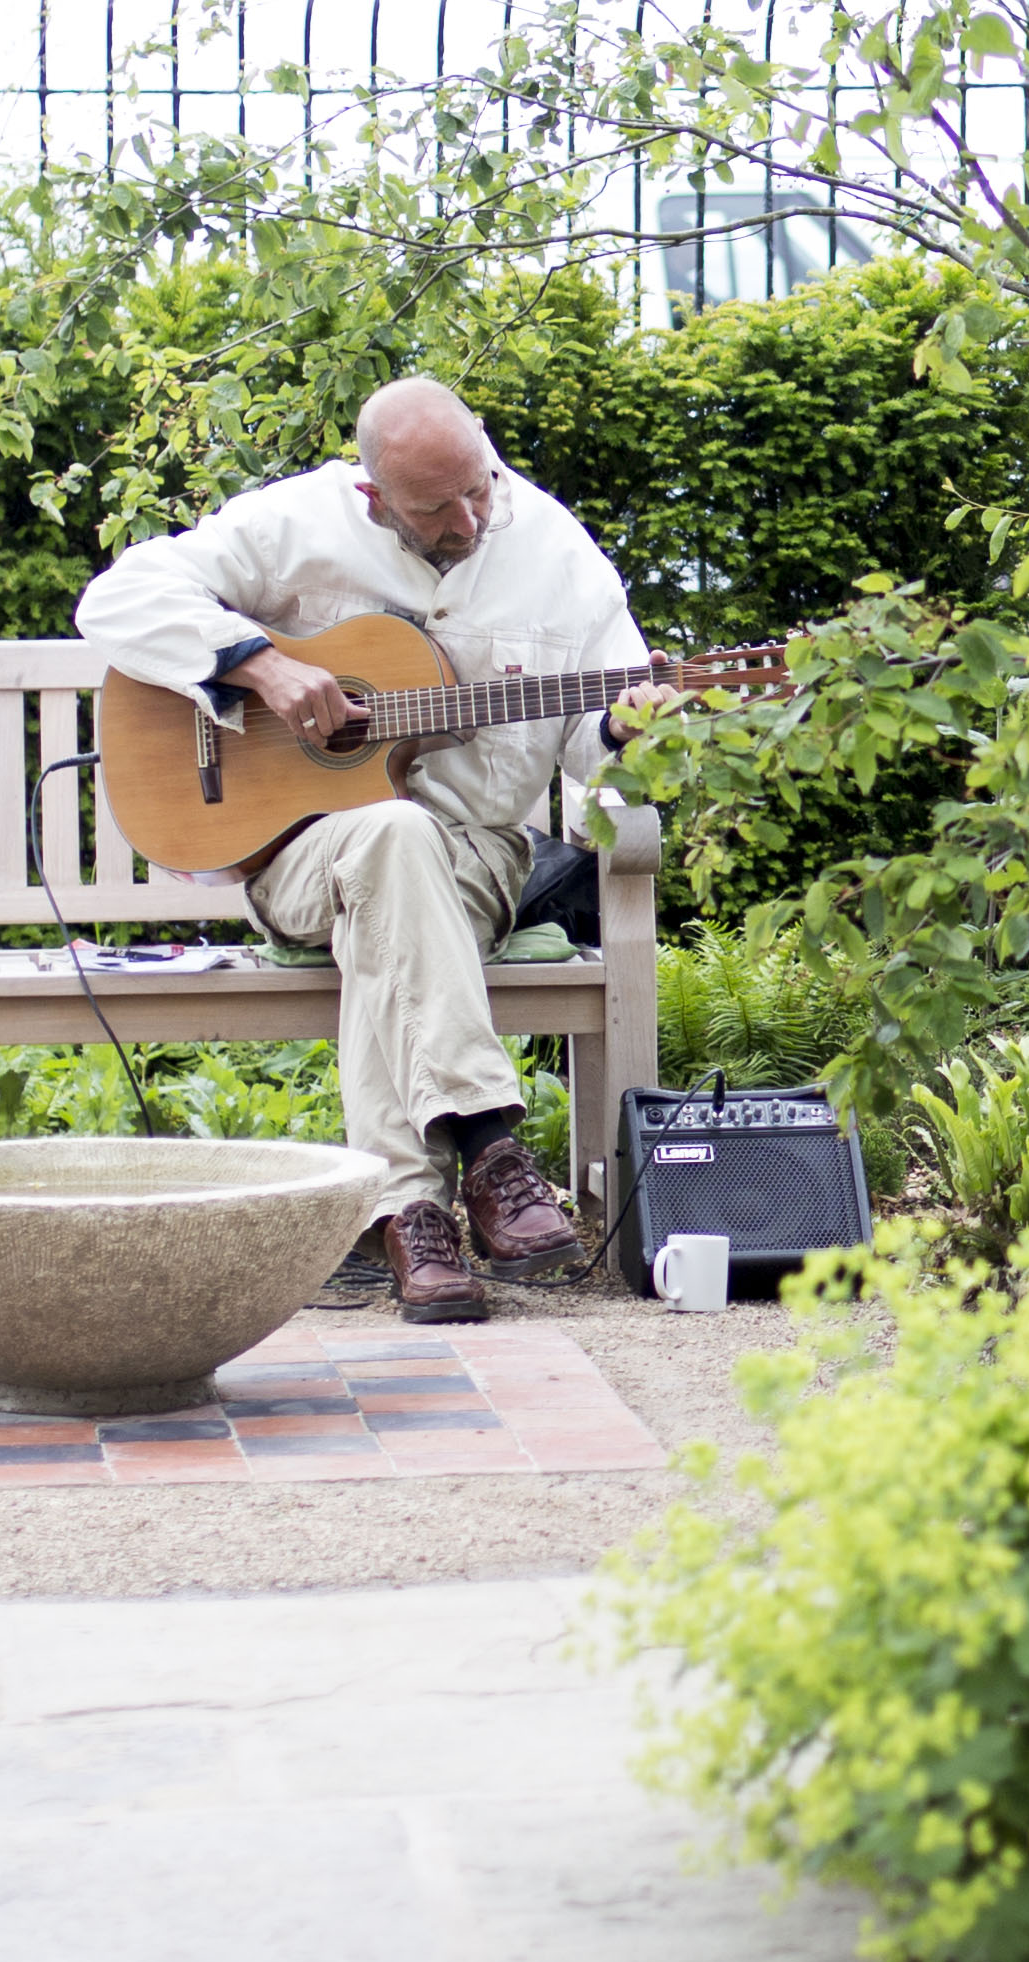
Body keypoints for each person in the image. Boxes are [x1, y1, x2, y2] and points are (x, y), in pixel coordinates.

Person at [73, 378, 645, 1323]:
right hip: (300, 858)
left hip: (477, 863)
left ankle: (407, 1214)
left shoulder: (559, 556)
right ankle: (493, 1146)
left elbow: (595, 736)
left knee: (403, 845)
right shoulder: (297, 522)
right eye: (436, 507)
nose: (468, 519)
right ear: (374, 495)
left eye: (479, 491)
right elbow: (120, 597)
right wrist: (262, 663)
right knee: (388, 831)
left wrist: (631, 730)